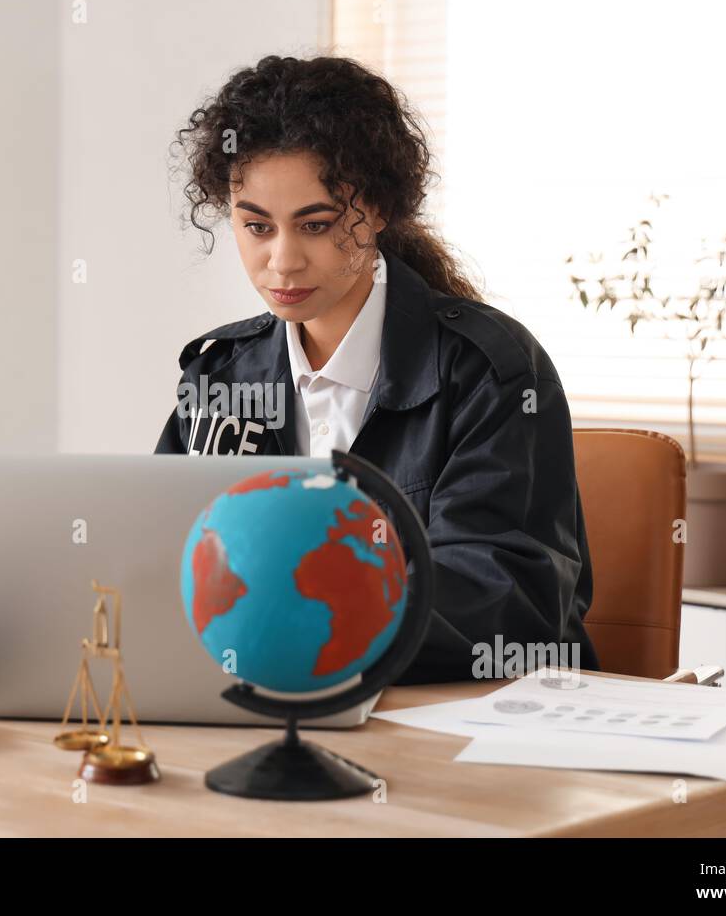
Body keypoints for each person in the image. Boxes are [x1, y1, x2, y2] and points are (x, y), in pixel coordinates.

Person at [155, 54, 599, 683]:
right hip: (263, 705)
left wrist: (302, 623)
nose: (281, 262)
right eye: (256, 226)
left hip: (466, 725)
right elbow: (157, 554)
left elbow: (505, 597)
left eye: (316, 224)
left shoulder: (493, 371)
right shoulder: (219, 377)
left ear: (381, 209)